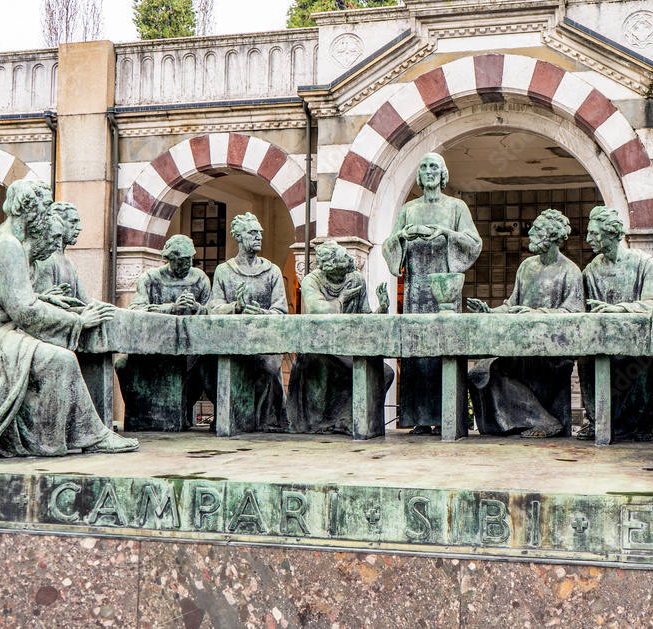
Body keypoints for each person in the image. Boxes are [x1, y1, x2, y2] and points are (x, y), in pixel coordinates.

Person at [0, 179, 137, 463]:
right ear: (30, 207)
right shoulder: (7, 245)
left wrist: (49, 301)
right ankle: (76, 439)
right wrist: (78, 322)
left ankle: (63, 436)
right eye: (45, 206)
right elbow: (24, 310)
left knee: (52, 357)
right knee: (59, 359)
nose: (47, 213)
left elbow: (15, 301)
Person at [382, 153, 482, 435]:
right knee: (417, 351)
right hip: (415, 291)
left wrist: (446, 233)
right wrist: (403, 236)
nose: (428, 171)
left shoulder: (456, 207)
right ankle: (420, 419)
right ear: (419, 175)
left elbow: (473, 242)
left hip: (444, 292)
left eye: (434, 167)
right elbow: (390, 242)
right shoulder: (408, 209)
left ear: (443, 173)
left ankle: (446, 416)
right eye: (424, 167)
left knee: (444, 348)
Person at [467, 209, 584, 438]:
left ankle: (545, 422)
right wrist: (490, 311)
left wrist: (535, 313)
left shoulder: (570, 272)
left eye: (537, 230)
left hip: (550, 356)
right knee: (478, 373)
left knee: (496, 370)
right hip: (522, 349)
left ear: (551, 237)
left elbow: (573, 313)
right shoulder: (526, 267)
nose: (530, 233)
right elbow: (511, 305)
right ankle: (507, 424)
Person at [287, 240, 393, 434]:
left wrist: (382, 309)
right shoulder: (312, 280)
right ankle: (323, 422)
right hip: (320, 349)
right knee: (319, 363)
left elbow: (364, 318)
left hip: (350, 350)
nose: (350, 259)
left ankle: (351, 420)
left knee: (385, 372)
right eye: (345, 257)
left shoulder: (356, 279)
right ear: (332, 265)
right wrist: (342, 298)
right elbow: (319, 310)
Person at [578, 205, 653, 441]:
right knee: (585, 358)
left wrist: (618, 309)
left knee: (642, 361)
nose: (588, 239)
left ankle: (638, 426)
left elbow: (651, 303)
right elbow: (581, 310)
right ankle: (598, 421)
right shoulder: (591, 271)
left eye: (594, 234)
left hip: (637, 345)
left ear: (612, 233)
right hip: (604, 344)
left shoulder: (645, 264)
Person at [115, 234, 211, 431]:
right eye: (183, 260)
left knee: (202, 366)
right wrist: (171, 308)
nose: (189, 263)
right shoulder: (150, 279)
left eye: (190, 258)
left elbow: (212, 312)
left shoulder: (200, 278)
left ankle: (180, 414)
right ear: (169, 259)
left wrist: (197, 308)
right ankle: (141, 416)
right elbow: (136, 309)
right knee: (122, 365)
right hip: (154, 348)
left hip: (191, 347)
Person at [206, 213, 288, 432]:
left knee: (267, 366)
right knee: (208, 367)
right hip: (230, 342)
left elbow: (281, 311)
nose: (258, 237)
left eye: (260, 232)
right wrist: (237, 308)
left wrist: (260, 312)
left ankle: (262, 419)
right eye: (252, 233)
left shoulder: (272, 272)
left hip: (264, 342)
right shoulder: (224, 271)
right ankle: (230, 415)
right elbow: (213, 308)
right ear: (238, 237)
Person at [33, 201, 89, 304]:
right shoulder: (46, 259)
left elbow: (86, 302)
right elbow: (48, 306)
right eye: (73, 222)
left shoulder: (68, 261)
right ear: (59, 223)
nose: (79, 228)